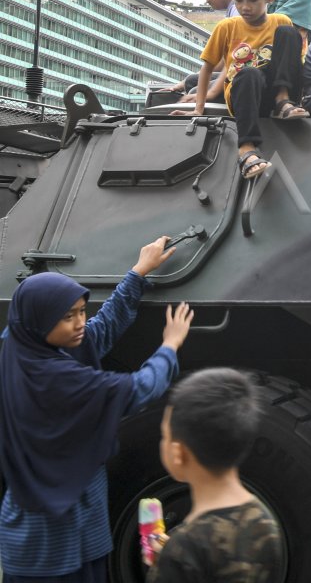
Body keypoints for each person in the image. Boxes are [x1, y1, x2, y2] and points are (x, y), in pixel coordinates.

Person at [0, 238, 193, 582]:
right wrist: (170, 345)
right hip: (54, 533)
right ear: (40, 320)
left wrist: (138, 273)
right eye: (67, 316)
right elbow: (139, 388)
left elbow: (98, 331)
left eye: (81, 311)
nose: (78, 323)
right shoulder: (58, 377)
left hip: (49, 518)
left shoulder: (19, 344)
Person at [147, 368, 283, 582]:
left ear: (178, 453)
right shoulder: (264, 520)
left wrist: (163, 567)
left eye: (165, 436)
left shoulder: (184, 547)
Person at [181, 0, 308, 180]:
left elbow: (295, 63)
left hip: (275, 91)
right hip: (246, 92)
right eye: (239, 0)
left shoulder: (280, 21)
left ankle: (283, 101)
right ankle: (246, 149)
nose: (245, 7)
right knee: (249, 73)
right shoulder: (227, 27)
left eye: (253, 0)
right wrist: (198, 108)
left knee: (289, 32)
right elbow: (207, 68)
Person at [164, 0, 236, 101]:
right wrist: (183, 83)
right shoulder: (231, 11)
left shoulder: (237, 13)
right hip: (231, 71)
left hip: (239, 74)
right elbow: (222, 61)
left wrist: (205, 95)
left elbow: (232, 62)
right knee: (191, 81)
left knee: (195, 91)